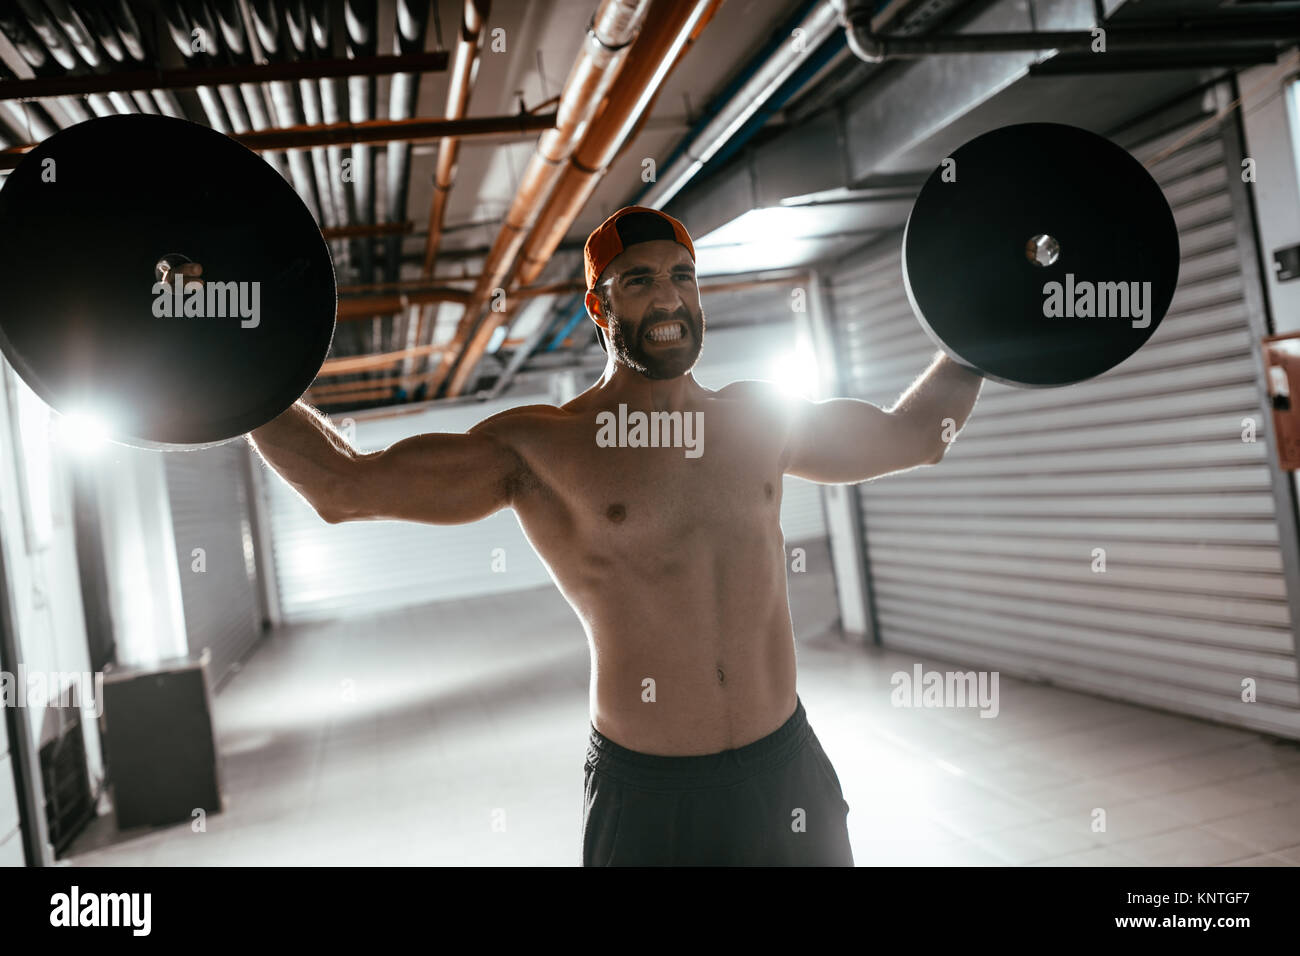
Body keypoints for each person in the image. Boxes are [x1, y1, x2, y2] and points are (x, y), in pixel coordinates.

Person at [247, 205, 984, 865]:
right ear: (598, 307)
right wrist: (234, 376)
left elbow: (919, 436)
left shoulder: (760, 420)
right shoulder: (542, 447)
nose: (668, 298)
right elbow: (343, 487)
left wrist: (978, 335)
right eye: (638, 282)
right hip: (651, 795)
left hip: (784, 769)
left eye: (682, 277)